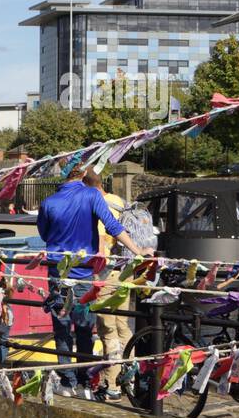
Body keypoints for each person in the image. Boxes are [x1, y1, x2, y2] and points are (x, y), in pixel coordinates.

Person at [36, 168, 154, 398]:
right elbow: (112, 225)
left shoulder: (48, 202)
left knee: (62, 330)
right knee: (84, 330)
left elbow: (44, 234)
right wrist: (138, 251)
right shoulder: (91, 195)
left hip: (57, 272)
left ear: (65, 177)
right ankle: (83, 383)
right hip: (83, 273)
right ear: (81, 178)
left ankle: (66, 382)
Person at [83, 169, 134, 400]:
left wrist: (95, 277)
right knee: (123, 326)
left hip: (108, 273)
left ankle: (113, 384)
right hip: (127, 270)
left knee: (107, 328)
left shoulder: (98, 203)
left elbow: (103, 240)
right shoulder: (119, 201)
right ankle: (131, 377)